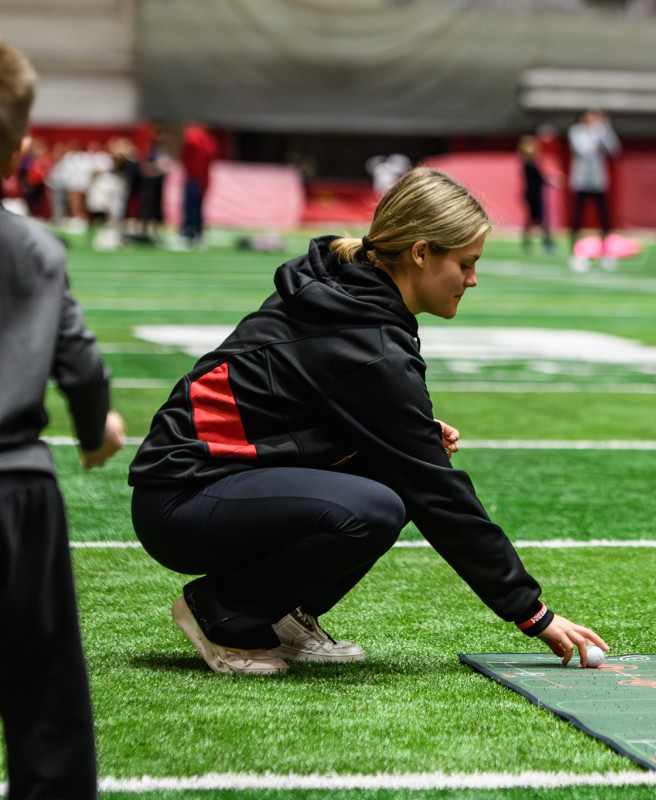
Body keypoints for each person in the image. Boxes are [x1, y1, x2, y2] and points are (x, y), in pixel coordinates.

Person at [128, 167, 607, 675]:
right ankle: (224, 612)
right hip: (180, 497)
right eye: (466, 263)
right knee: (379, 503)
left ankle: (283, 617)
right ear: (421, 253)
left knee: (401, 465)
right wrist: (533, 614)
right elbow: (440, 497)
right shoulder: (369, 344)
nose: (472, 279)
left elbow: (291, 407)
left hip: (211, 479)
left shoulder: (342, 286)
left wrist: (397, 431)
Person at [0, 38, 126, 799]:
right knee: (47, 715)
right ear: (18, 150)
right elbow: (81, 365)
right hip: (17, 491)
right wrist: (94, 431)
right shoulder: (37, 248)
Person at [567, 109, 620, 272]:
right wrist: (596, 131)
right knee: (578, 216)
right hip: (581, 179)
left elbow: (615, 149)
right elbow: (584, 150)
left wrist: (607, 130)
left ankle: (606, 253)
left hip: (598, 180)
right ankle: (574, 253)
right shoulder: (576, 131)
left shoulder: (602, 132)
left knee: (604, 216)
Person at [178, 121, 219, 248]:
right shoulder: (207, 137)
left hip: (194, 177)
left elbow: (190, 150)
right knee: (196, 207)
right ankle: (197, 234)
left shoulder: (195, 134)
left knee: (190, 207)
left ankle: (189, 234)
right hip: (200, 177)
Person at [517, 134, 554, 255]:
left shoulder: (527, 162)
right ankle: (546, 242)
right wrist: (550, 181)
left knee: (532, 220)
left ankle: (529, 241)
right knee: (540, 219)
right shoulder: (530, 164)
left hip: (531, 194)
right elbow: (540, 179)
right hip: (535, 194)